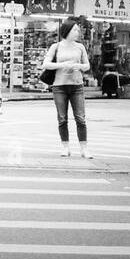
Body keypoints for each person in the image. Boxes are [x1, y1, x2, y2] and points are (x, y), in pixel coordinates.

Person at [41, 16, 93, 158]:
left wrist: (79, 66)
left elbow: (87, 66)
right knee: (62, 118)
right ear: (68, 30)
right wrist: (63, 65)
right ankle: (65, 147)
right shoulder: (56, 47)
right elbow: (45, 64)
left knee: (80, 118)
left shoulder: (80, 47)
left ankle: (84, 149)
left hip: (77, 86)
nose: (78, 32)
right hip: (59, 87)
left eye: (78, 30)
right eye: (75, 30)